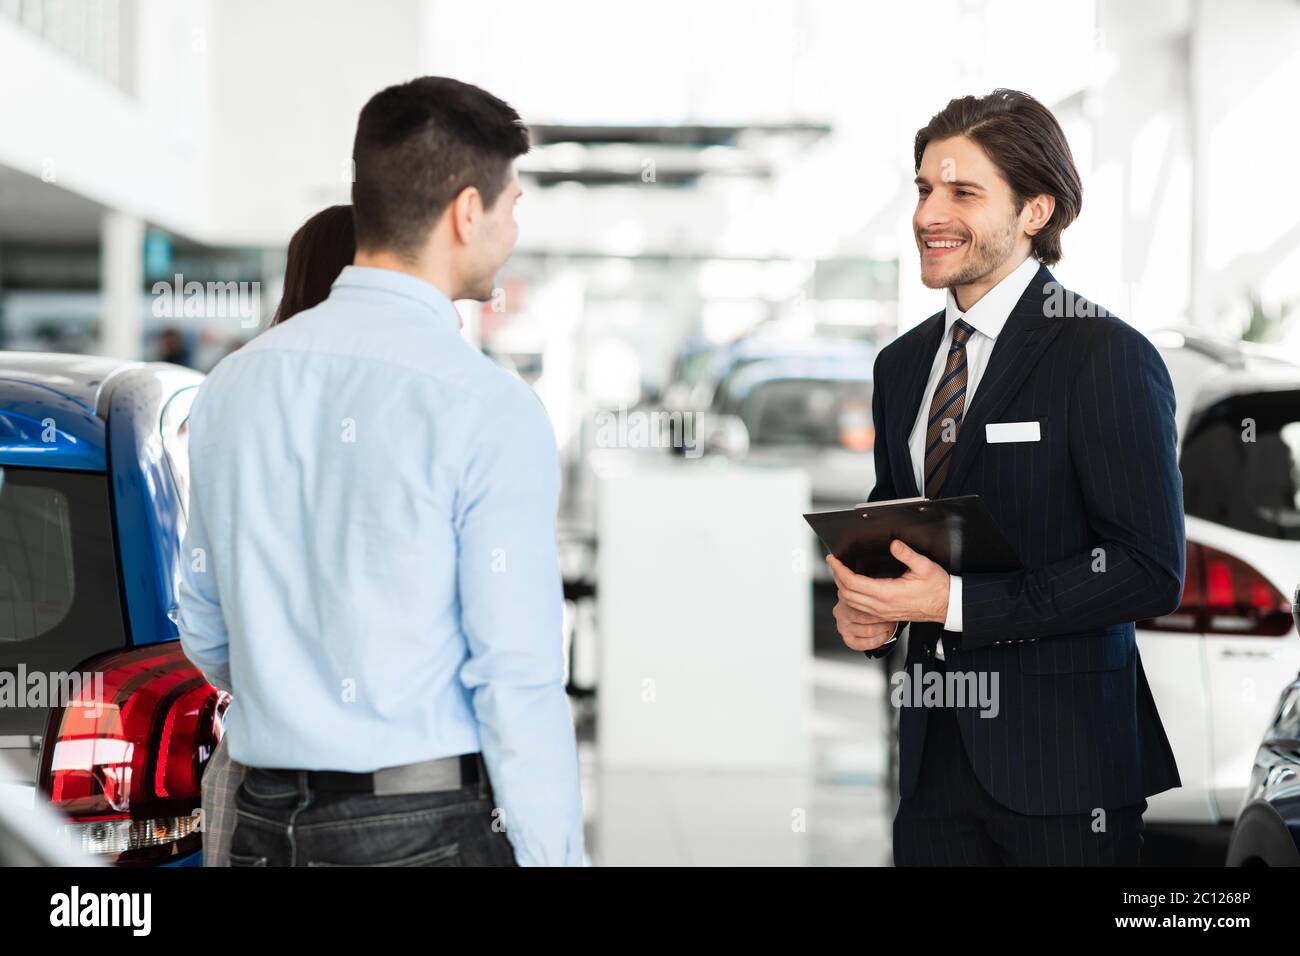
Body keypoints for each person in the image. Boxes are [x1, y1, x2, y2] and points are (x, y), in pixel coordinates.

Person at [178, 76, 584, 866]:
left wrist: (295, 694)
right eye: (513, 205)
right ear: (468, 211)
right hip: (421, 828)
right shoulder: (487, 404)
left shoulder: (233, 384)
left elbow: (205, 623)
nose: (512, 229)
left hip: (262, 824)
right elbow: (514, 678)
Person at [828, 89, 1183, 866]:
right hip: (932, 768)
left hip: (1065, 771)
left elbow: (1148, 569)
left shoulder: (1105, 356)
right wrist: (870, 609)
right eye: (924, 188)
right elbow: (903, 529)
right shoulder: (902, 366)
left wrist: (954, 604)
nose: (928, 214)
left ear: (1034, 211)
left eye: (962, 192)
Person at [199, 202, 356, 867]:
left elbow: (203, 615)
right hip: (389, 774)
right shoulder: (412, 398)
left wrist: (263, 675)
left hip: (258, 756)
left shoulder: (235, 389)